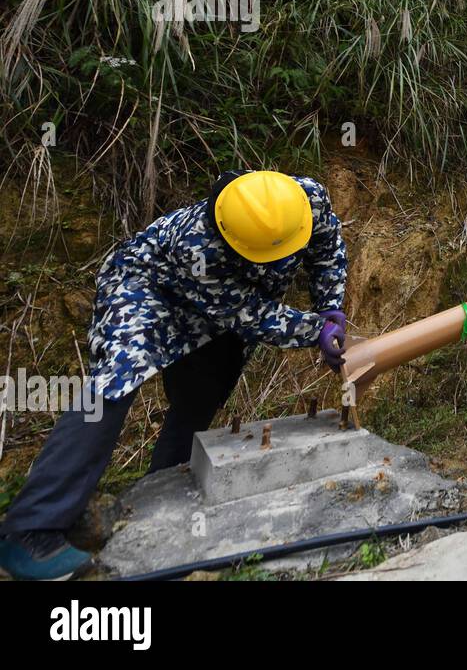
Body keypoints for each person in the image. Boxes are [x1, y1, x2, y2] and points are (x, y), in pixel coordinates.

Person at [0, 170, 349, 580]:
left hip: (228, 301)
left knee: (204, 391)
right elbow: (251, 316)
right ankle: (31, 531)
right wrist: (314, 332)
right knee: (114, 381)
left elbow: (327, 249)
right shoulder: (196, 243)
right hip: (147, 288)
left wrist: (330, 309)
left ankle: (162, 490)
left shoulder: (304, 200)